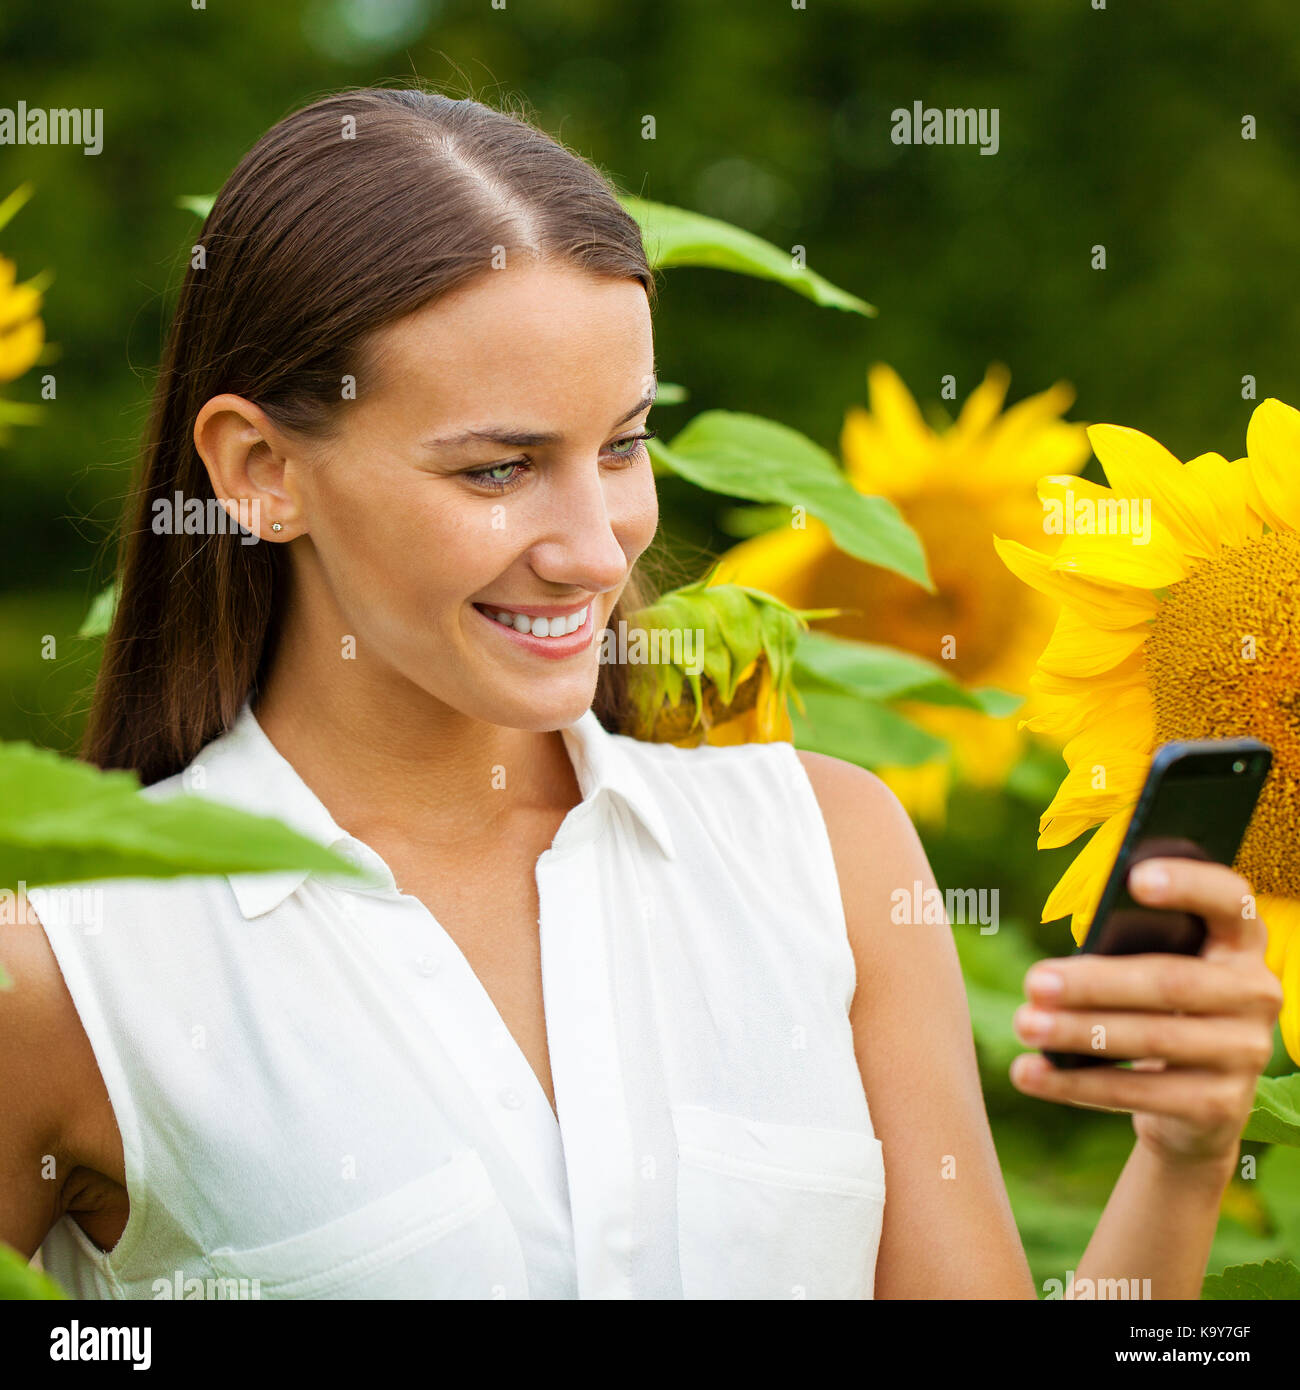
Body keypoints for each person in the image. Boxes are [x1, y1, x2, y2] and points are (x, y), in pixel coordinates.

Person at [2, 86, 1281, 1301]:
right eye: (499, 469)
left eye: (622, 445)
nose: (599, 546)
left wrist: (1181, 1151)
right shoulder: (73, 976)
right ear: (259, 467)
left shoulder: (827, 855)